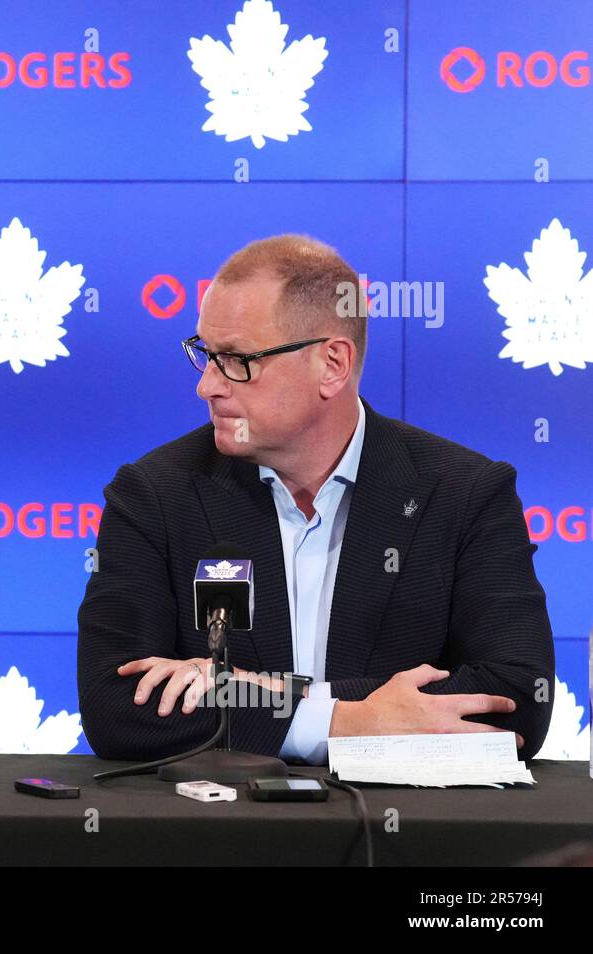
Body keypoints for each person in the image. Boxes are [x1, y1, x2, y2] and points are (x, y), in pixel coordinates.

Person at [77, 235, 554, 764]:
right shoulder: (156, 494)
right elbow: (114, 704)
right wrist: (348, 721)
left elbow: (518, 698)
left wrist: (260, 695)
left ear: (332, 364)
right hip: (221, 836)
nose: (207, 385)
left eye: (236, 360)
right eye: (205, 356)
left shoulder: (464, 494)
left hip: (411, 841)